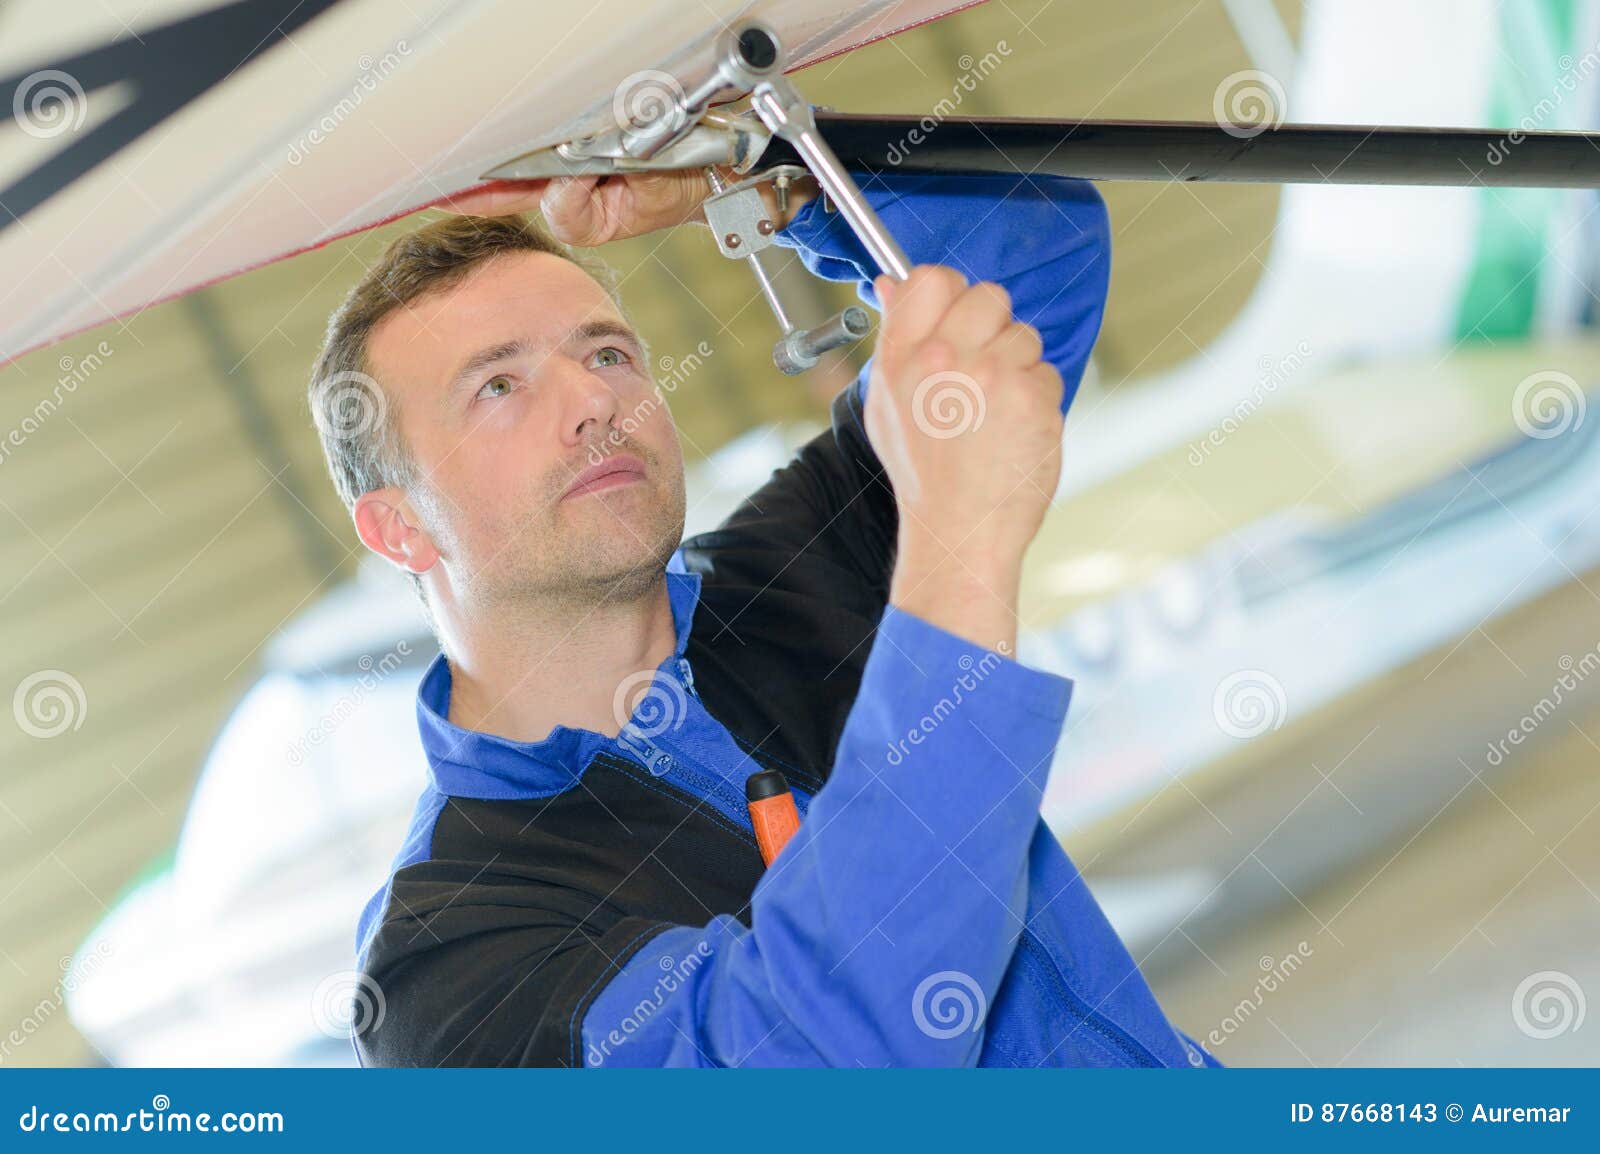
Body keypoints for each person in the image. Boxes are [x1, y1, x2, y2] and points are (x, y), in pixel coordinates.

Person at [308, 162, 1219, 1067]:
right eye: (498, 387)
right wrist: (960, 551)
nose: (595, 403)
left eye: (607, 355)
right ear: (398, 527)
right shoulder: (446, 967)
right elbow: (822, 1062)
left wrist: (750, 191)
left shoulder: (800, 561)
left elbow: (1034, 249)